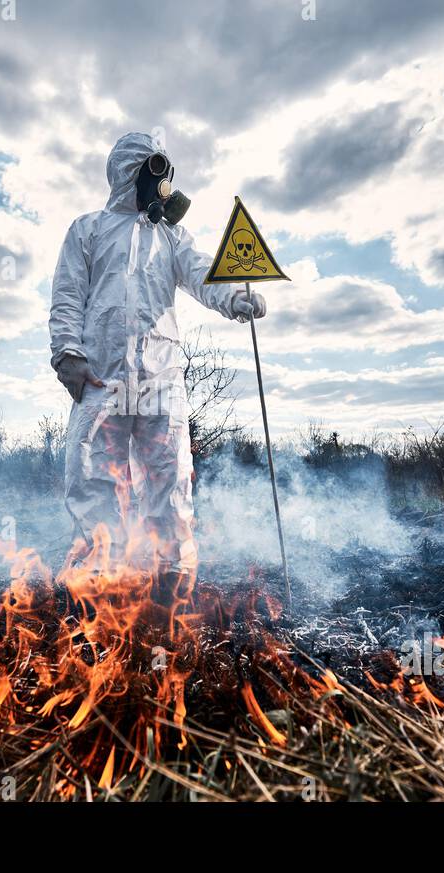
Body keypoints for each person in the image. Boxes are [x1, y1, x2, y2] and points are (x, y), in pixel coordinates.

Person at [49, 131, 265, 602]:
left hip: (160, 381)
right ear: (133, 173)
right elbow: (67, 294)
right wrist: (67, 354)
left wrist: (235, 296)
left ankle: (171, 581)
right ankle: (100, 580)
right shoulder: (87, 229)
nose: (164, 183)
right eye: (155, 171)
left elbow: (203, 272)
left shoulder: (172, 236)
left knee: (168, 478)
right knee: (93, 477)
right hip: (100, 377)